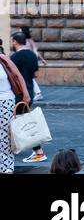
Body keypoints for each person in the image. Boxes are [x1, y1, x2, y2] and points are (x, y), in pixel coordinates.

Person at [9, 32, 45, 164]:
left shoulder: (14, 57)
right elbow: (34, 74)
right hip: (29, 91)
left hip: (17, 93)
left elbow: (12, 76)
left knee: (24, 122)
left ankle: (39, 152)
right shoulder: (32, 55)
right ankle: (13, 147)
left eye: (11, 41)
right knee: (20, 120)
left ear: (15, 41)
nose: (11, 43)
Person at [0, 50, 29, 175]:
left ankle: (7, 167)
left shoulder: (2, 58)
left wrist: (26, 94)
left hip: (5, 101)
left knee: (5, 135)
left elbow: (18, 76)